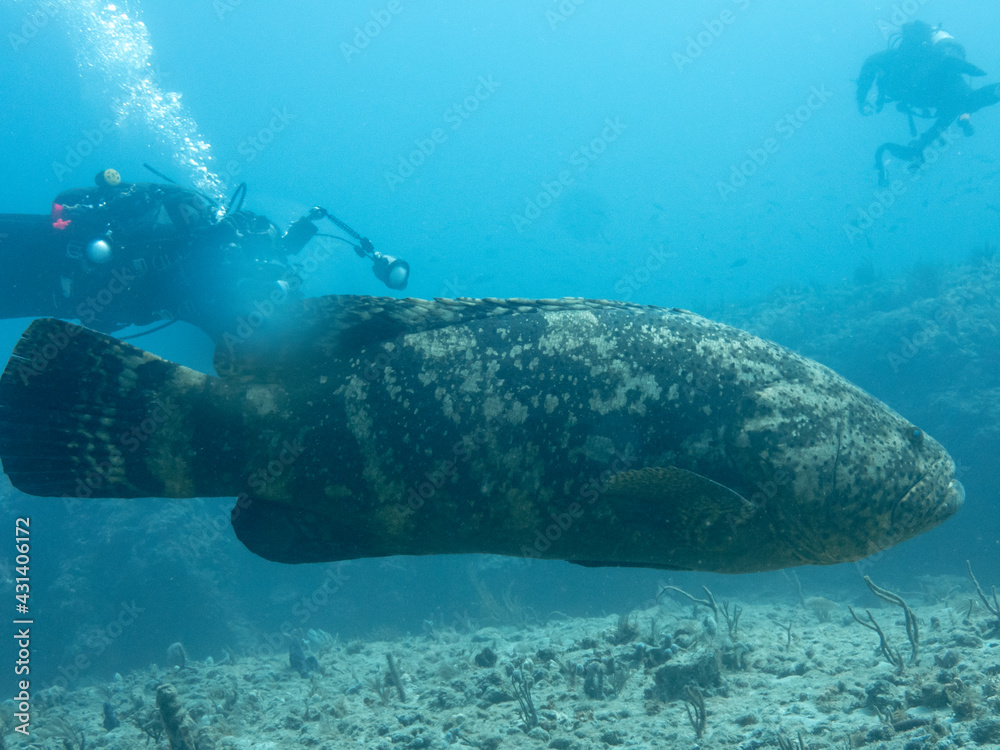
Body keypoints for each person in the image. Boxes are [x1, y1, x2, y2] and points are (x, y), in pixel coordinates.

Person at [0, 168, 409, 341]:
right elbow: (207, 311)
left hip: (55, 282)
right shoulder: (198, 252)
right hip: (57, 271)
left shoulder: (204, 254)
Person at [856, 21, 1000, 184]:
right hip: (933, 98)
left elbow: (960, 103)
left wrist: (861, 99)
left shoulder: (939, 64)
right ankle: (922, 144)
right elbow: (963, 103)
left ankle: (922, 145)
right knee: (965, 102)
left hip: (932, 97)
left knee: (964, 102)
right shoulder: (942, 63)